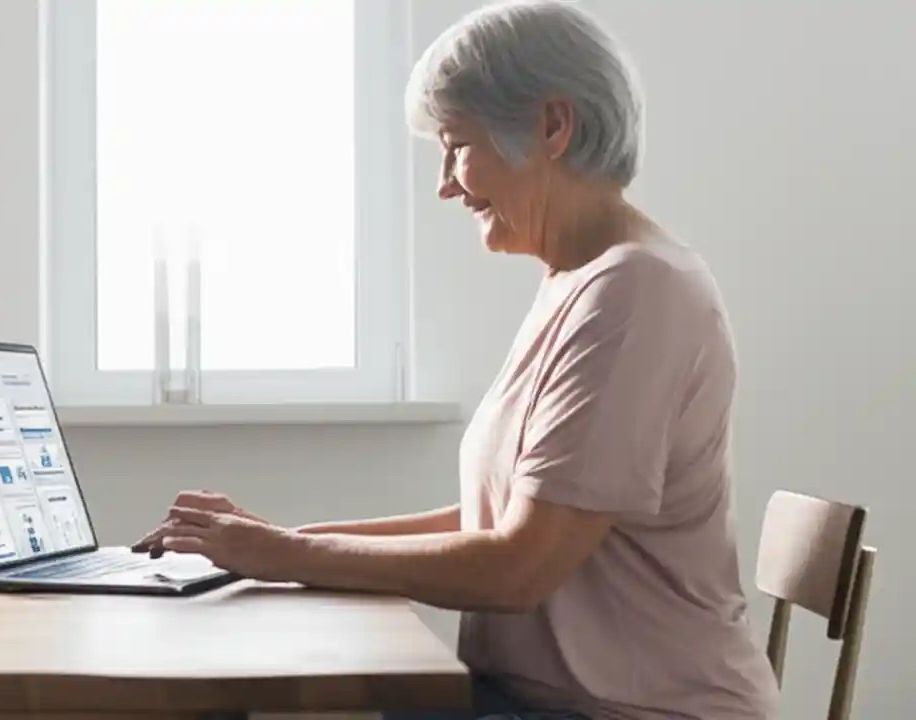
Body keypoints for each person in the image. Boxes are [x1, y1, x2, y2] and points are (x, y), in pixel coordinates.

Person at [132, 2, 778, 718]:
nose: (445, 182)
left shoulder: (637, 291)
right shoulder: (577, 283)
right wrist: (273, 542)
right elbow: (492, 522)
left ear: (552, 127)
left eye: (456, 144)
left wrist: (280, 555)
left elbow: (519, 568)